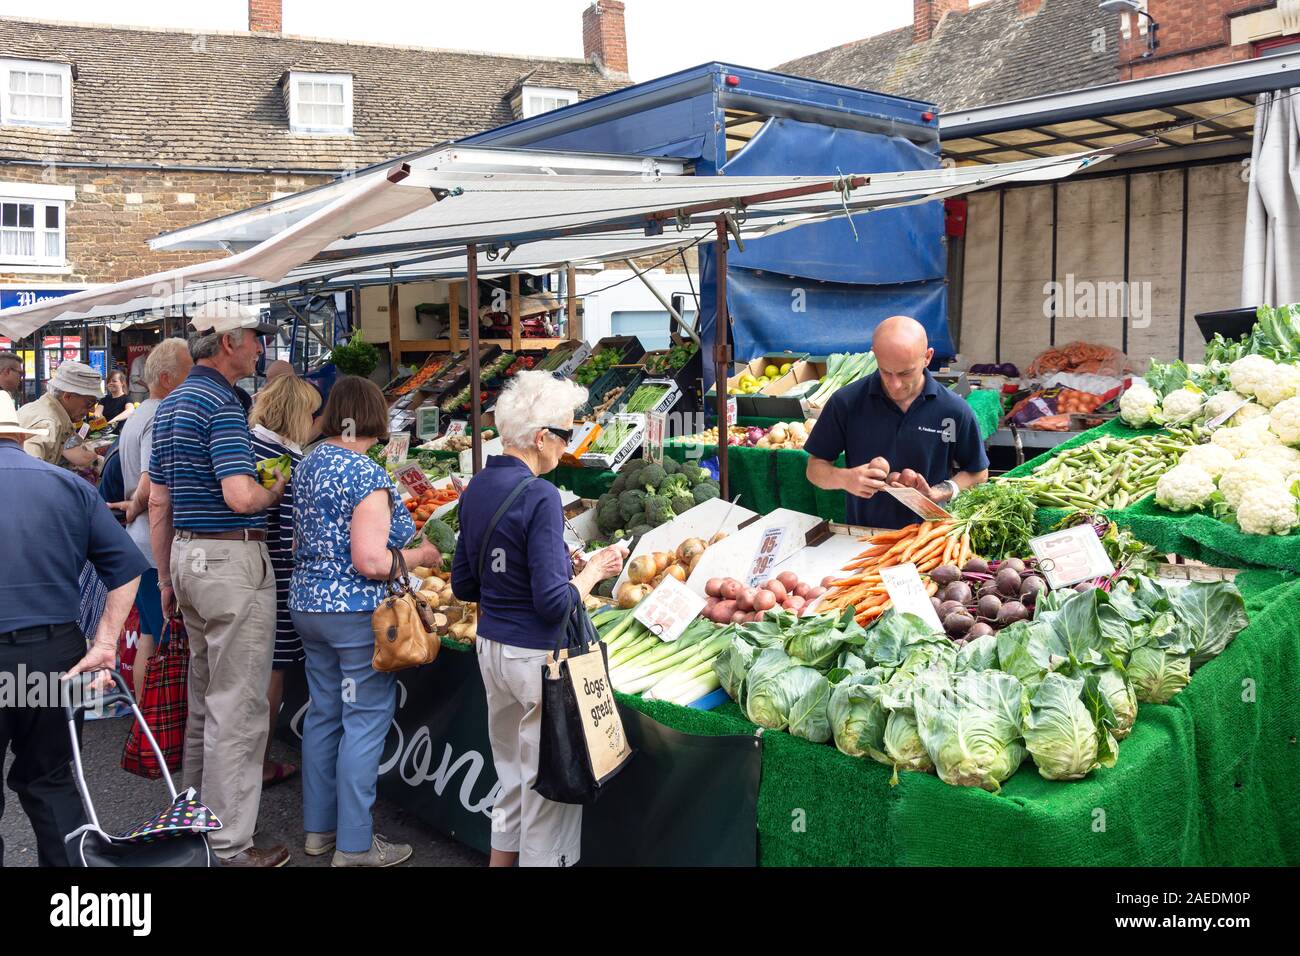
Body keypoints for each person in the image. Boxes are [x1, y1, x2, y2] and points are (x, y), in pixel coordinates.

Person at [451, 370, 625, 868]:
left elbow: (464, 585)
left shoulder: (478, 487)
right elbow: (554, 603)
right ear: (542, 437)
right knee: (550, 792)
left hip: (491, 651)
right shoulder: (541, 495)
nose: (568, 447)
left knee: (511, 780)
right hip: (538, 661)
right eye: (568, 434)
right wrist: (593, 571)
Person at [147, 301, 290, 868]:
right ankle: (229, 846)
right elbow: (241, 497)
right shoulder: (222, 405)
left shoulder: (172, 402)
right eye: (256, 338)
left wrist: (164, 576)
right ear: (229, 341)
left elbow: (159, 500)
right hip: (230, 561)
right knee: (240, 709)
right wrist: (275, 485)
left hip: (186, 557)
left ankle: (195, 829)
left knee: (205, 701)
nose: (261, 348)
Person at [289, 376, 443, 868]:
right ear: (375, 415)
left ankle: (319, 832)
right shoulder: (364, 475)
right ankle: (354, 846)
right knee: (363, 721)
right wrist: (419, 554)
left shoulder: (308, 462)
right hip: (355, 614)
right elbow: (371, 562)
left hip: (309, 606)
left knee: (324, 714)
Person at [0, 390, 147, 866]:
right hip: (52, 656)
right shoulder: (65, 485)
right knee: (53, 778)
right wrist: (105, 642)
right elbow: (126, 569)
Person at [804, 315, 990, 529]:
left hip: (929, 539)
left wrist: (939, 491)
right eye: (886, 371)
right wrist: (845, 478)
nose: (895, 384)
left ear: (928, 357)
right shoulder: (846, 402)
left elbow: (978, 472)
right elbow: (815, 468)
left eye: (905, 373)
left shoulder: (953, 409)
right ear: (875, 355)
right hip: (863, 535)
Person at [247, 373, 320, 789]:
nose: (316, 421)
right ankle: (257, 761)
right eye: (312, 413)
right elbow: (293, 531)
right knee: (272, 669)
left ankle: (245, 759)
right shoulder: (285, 460)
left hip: (251, 570)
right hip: (275, 575)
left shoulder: (248, 442)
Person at [112, 339, 193, 702]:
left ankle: (147, 722)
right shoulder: (160, 413)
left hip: (138, 540)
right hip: (151, 542)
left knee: (150, 633)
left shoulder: (140, 412)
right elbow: (150, 479)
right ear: (166, 377)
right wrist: (135, 504)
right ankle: (158, 725)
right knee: (161, 635)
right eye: (189, 372)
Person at [18, 361, 106, 470]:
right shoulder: (48, 424)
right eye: (89, 403)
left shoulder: (42, 409)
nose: (92, 409)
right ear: (67, 396)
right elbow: (28, 472)